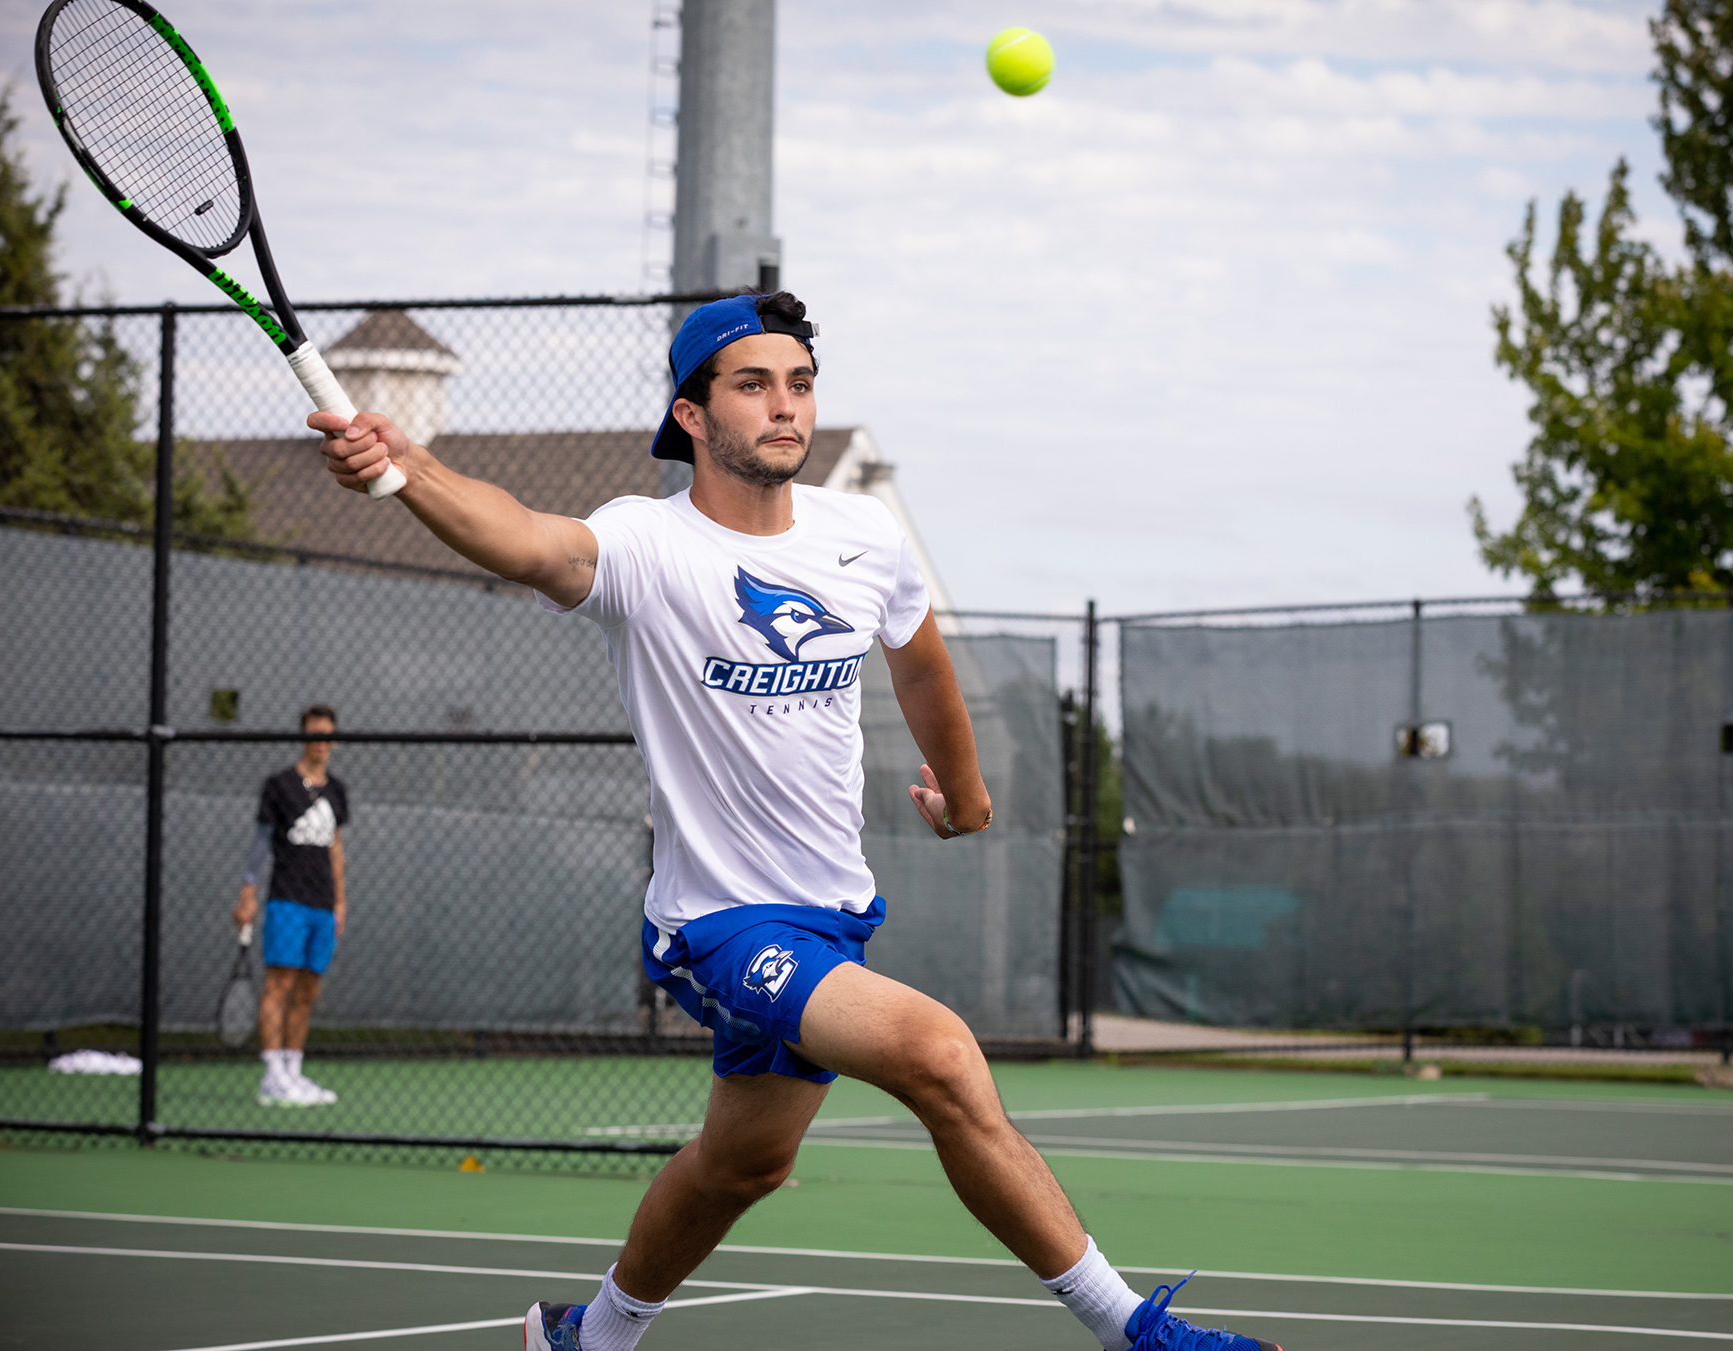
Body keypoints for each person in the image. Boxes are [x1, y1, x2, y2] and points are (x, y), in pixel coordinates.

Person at [312, 292, 1280, 1351]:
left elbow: (918, 657)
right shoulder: (644, 545)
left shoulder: (860, 535)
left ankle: (586, 1338)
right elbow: (525, 539)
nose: (786, 405)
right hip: (718, 921)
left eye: (800, 382)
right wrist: (404, 468)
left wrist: (965, 794)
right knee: (942, 1057)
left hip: (830, 914)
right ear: (691, 413)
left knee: (743, 1166)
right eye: (752, 383)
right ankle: (1136, 1333)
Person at [233, 704, 349, 1107]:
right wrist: (248, 891)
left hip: (322, 904)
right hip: (286, 900)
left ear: (334, 741)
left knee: (308, 990)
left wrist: (340, 901)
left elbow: (335, 846)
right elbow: (261, 842)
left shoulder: (337, 790)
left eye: (327, 735)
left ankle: (294, 1073)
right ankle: (272, 1074)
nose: (320, 742)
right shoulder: (278, 785)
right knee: (279, 984)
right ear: (303, 737)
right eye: (314, 734)